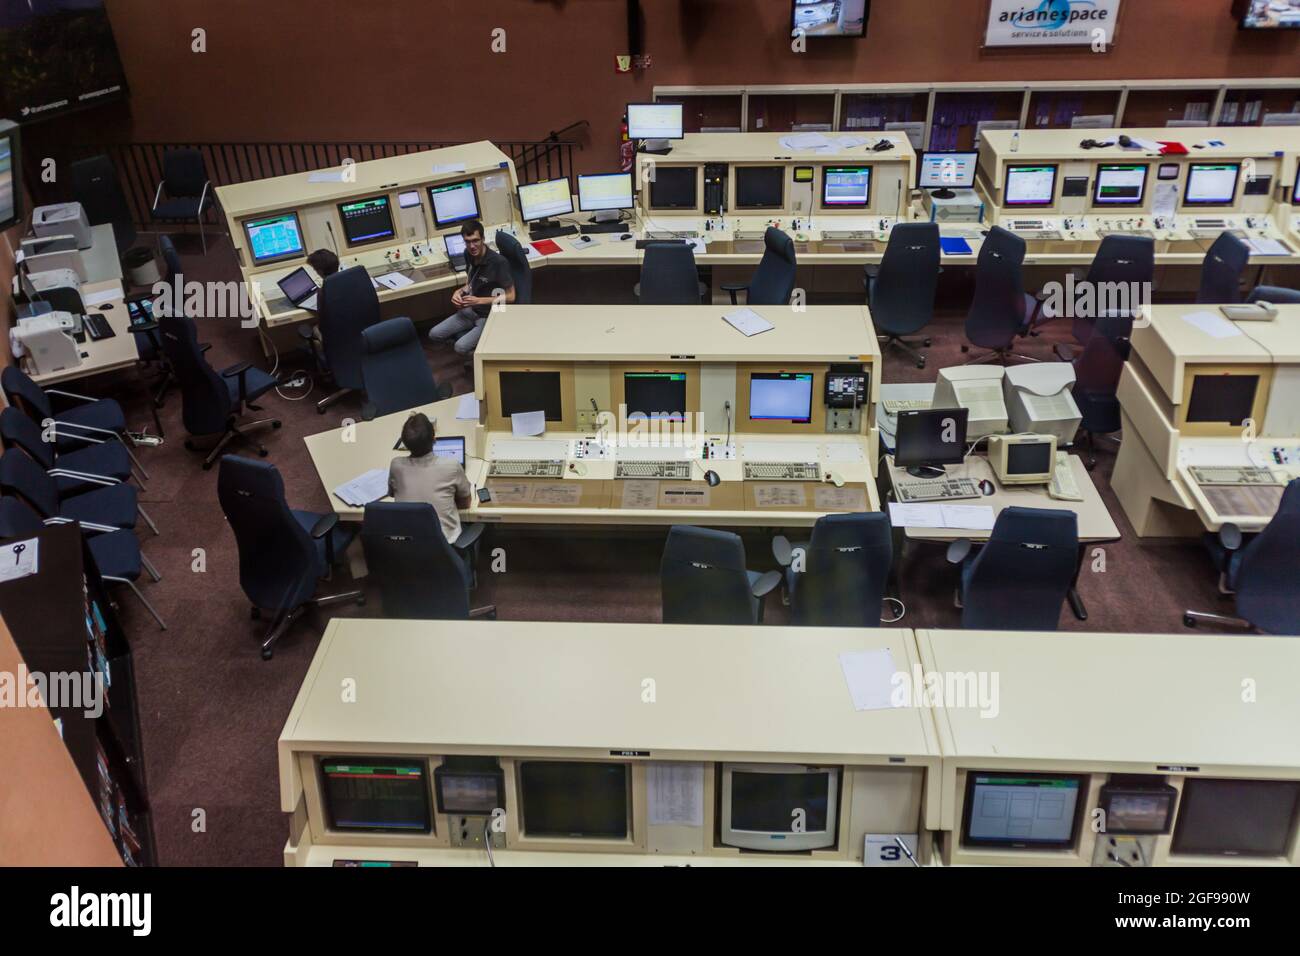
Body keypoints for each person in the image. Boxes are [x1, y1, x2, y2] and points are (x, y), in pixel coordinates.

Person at [427, 219, 515, 356]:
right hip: (471, 311)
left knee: (460, 347)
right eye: (467, 241)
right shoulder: (468, 254)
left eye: (475, 240)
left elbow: (511, 296)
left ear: (483, 239)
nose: (472, 246)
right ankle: (475, 339)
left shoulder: (499, 263)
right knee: (434, 334)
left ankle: (487, 355)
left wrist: (479, 300)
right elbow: (470, 282)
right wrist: (459, 291)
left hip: (490, 315)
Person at [388, 412, 472, 546]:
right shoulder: (452, 466)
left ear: (404, 443)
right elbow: (466, 503)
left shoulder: (396, 465)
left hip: (408, 546)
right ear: (434, 439)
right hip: (444, 548)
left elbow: (393, 493)